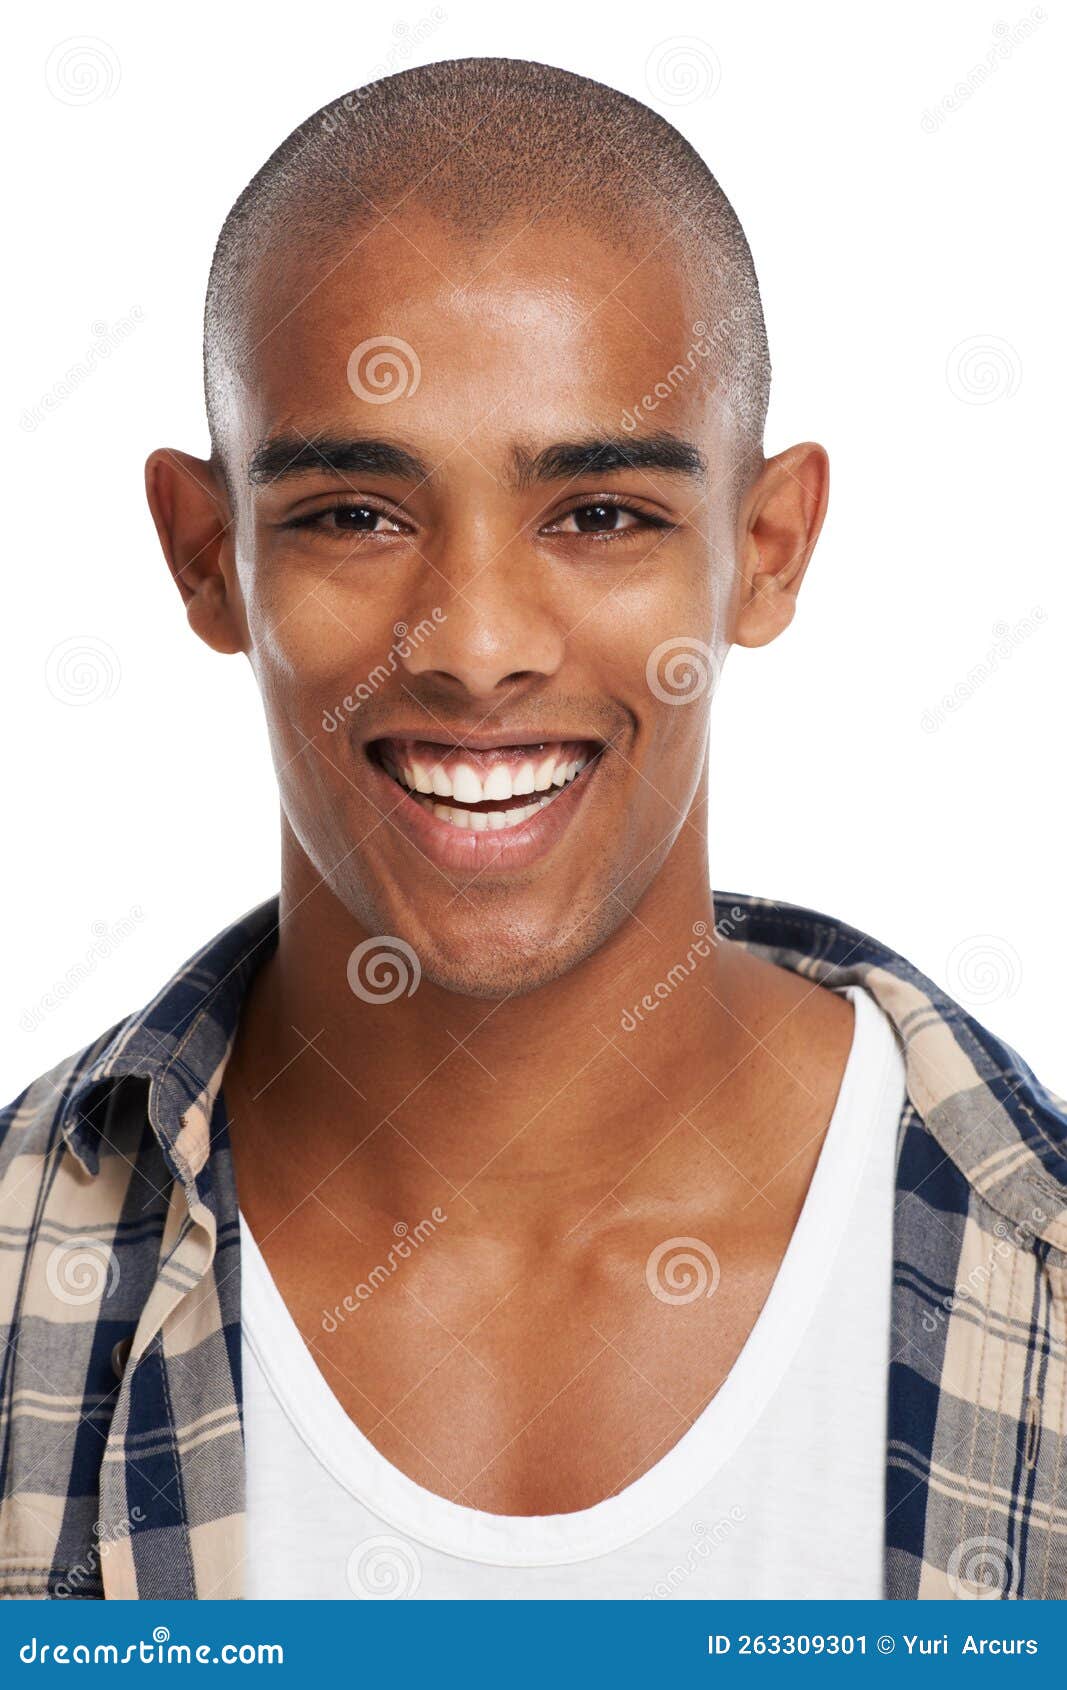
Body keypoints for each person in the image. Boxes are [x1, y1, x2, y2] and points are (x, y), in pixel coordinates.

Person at [2, 57, 1064, 1603]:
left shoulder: (1034, 1270)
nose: (476, 641)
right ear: (205, 552)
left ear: (766, 551)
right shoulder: (22, 1279)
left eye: (602, 514)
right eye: (356, 514)